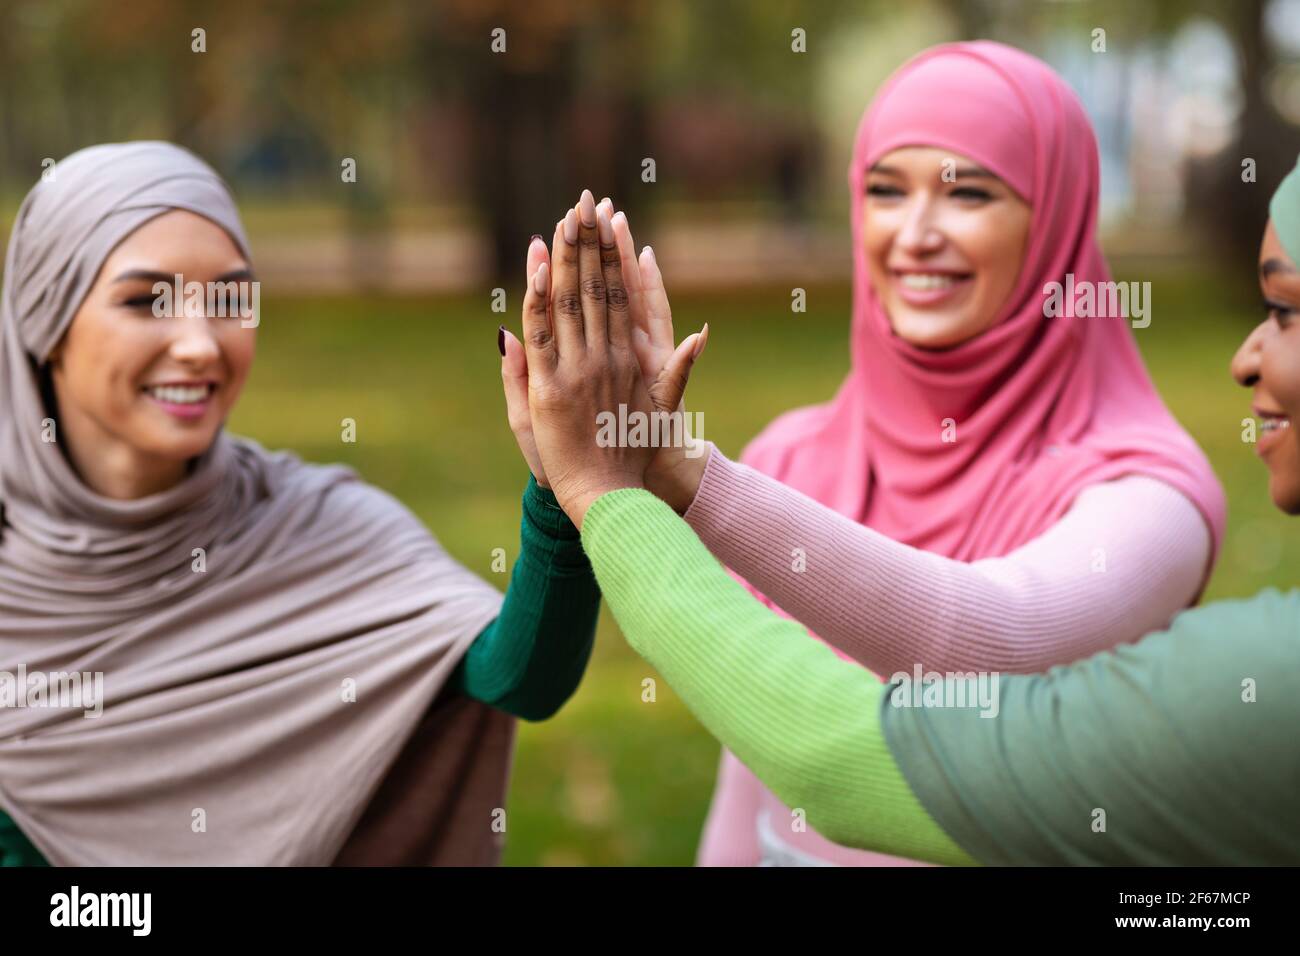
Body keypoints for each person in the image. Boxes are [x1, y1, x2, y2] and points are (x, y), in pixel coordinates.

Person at [502, 41, 1227, 866]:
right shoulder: (790, 455)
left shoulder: (1152, 490)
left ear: (1057, 220)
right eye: (886, 190)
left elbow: (999, 644)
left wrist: (680, 474)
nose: (915, 234)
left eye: (969, 194)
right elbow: (750, 790)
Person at [0, 142, 600, 866]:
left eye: (228, 298)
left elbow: (520, 679)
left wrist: (566, 487)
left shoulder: (325, 526)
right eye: (145, 301)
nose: (198, 344)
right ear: (43, 322)